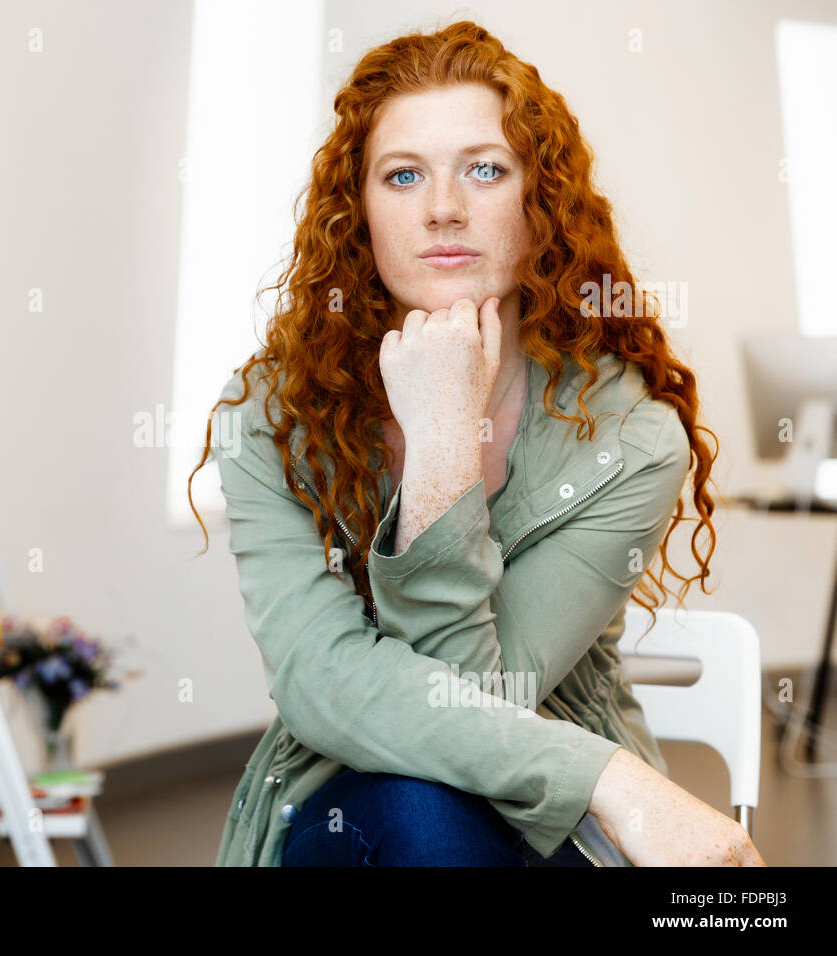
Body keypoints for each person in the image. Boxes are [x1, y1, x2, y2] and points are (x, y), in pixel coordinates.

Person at [188, 20, 765, 867]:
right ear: (359, 213)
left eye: (485, 169)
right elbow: (320, 684)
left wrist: (443, 442)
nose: (444, 208)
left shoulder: (631, 438)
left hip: (547, 828)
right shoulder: (271, 412)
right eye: (403, 175)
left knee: (435, 804)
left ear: (540, 203)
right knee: (413, 806)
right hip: (352, 809)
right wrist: (613, 779)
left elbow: (492, 698)